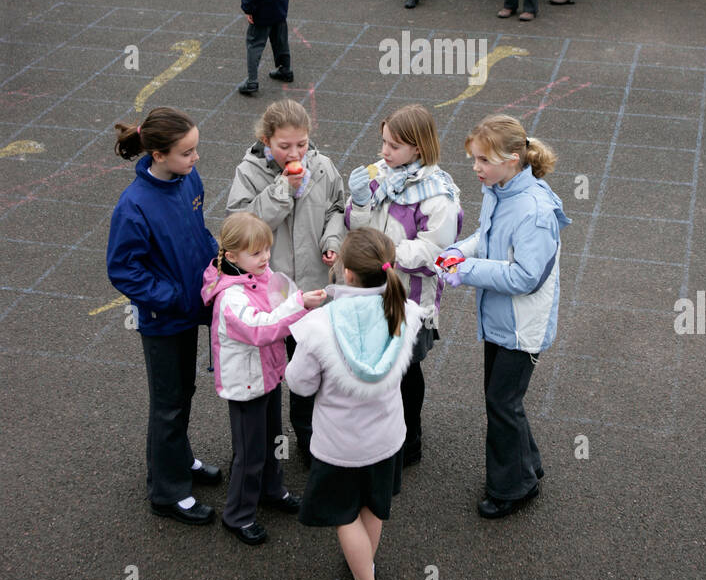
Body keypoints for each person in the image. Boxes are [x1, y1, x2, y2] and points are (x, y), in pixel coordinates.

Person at [286, 229, 423, 580]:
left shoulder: (319, 325)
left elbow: (300, 383)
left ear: (346, 275)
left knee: (343, 513)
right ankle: (366, 564)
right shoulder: (405, 312)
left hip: (341, 444)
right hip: (386, 437)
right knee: (373, 505)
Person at [440, 115, 570, 519]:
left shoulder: (534, 210)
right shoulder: (502, 188)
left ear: (512, 159)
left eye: (482, 159)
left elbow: (526, 277)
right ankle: (527, 465)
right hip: (502, 318)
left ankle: (512, 488)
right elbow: (489, 235)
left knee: (501, 401)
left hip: (520, 325)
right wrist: (461, 250)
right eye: (474, 158)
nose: (475, 167)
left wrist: (465, 270)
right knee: (504, 400)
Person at [107, 107, 220, 526]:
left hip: (190, 308)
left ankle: (179, 459)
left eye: (196, 149)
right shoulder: (133, 206)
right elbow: (122, 269)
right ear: (157, 154)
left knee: (182, 392)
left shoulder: (188, 179)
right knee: (168, 403)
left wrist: (216, 262)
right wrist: (171, 295)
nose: (195, 159)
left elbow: (198, 230)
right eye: (187, 152)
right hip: (163, 319)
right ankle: (167, 492)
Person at [226, 99, 345, 466]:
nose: (295, 153)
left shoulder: (322, 168)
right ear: (266, 140)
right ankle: (268, 449)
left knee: (310, 370)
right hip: (271, 297)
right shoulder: (248, 173)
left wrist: (332, 242)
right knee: (270, 371)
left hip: (312, 291)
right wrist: (283, 189)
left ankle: (311, 442)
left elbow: (336, 208)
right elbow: (241, 228)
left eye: (302, 145)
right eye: (284, 147)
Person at [345, 104, 461, 466]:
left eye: (393, 146)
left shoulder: (438, 196)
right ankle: (382, 434)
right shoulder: (381, 174)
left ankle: (410, 440)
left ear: (419, 149)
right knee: (377, 369)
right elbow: (354, 225)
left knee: (406, 373)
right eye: (382, 142)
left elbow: (439, 257)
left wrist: (388, 253)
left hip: (409, 303)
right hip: (369, 293)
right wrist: (359, 203)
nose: (383, 152)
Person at [202, 213, 327, 545]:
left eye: (266, 250)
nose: (265, 258)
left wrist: (296, 301)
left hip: (267, 374)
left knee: (273, 439)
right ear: (232, 257)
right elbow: (262, 328)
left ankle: (272, 489)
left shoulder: (257, 274)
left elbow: (278, 299)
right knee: (250, 451)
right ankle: (238, 514)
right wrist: (300, 304)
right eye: (256, 253)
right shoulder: (231, 298)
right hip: (246, 384)